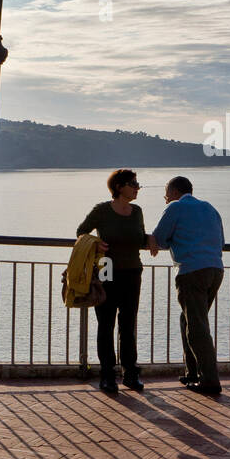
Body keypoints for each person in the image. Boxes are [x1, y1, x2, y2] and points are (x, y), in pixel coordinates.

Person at [77, 168, 156, 394]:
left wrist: (149, 237)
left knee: (128, 324)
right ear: (119, 187)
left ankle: (130, 373)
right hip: (107, 270)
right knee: (106, 324)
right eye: (133, 183)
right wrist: (94, 243)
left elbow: (138, 237)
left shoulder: (137, 211)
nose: (137, 187)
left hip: (132, 271)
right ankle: (107, 376)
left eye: (137, 183)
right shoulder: (102, 210)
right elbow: (81, 232)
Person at [149, 176, 224, 396]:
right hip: (215, 269)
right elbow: (222, 242)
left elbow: (160, 238)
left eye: (165, 193)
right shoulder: (210, 208)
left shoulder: (175, 207)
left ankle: (210, 380)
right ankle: (193, 373)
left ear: (173, 191)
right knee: (188, 320)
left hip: (191, 271)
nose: (165, 198)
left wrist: (168, 240)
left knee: (197, 326)